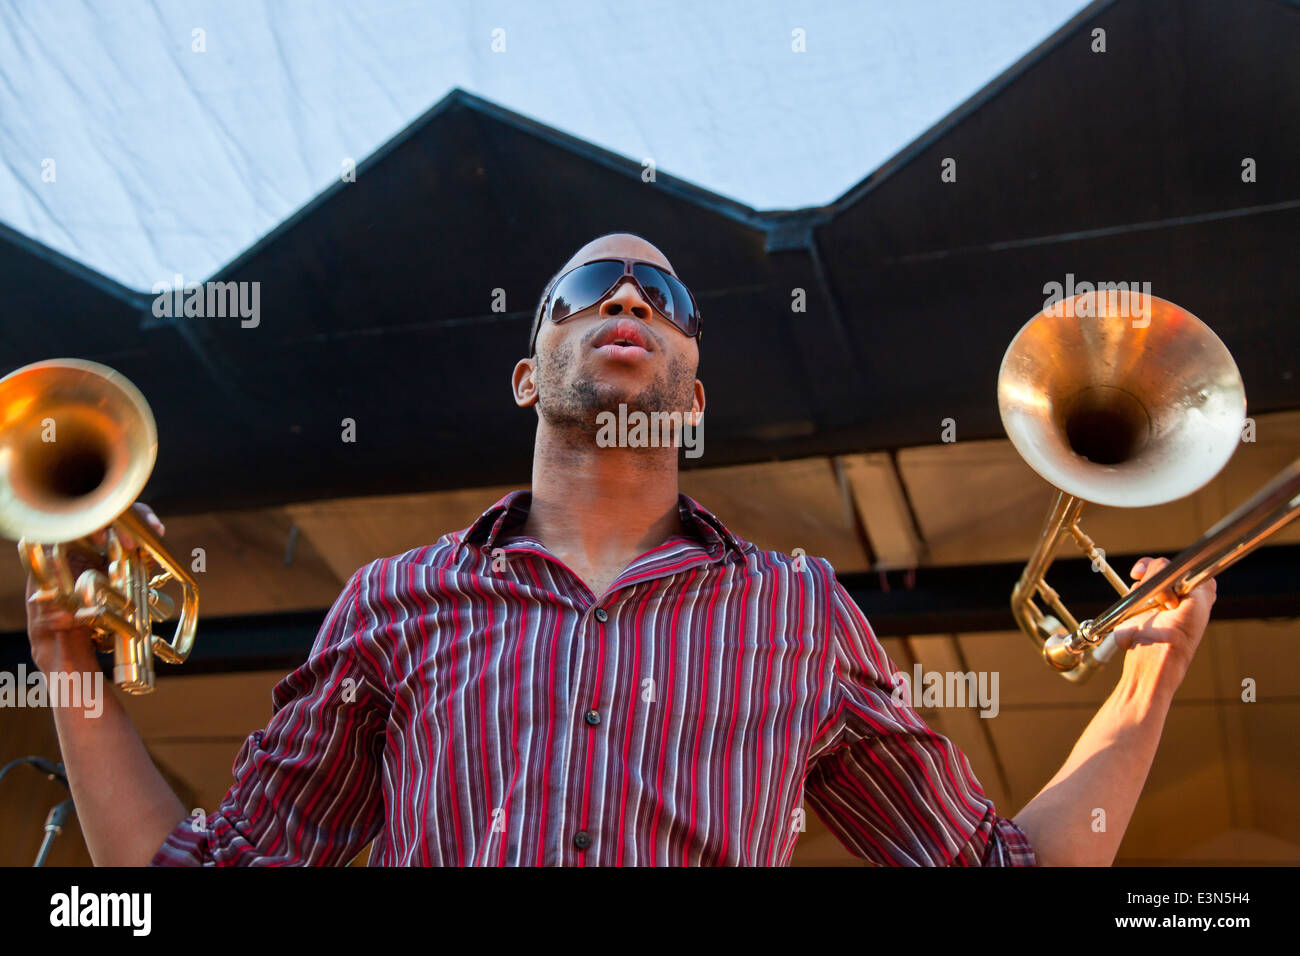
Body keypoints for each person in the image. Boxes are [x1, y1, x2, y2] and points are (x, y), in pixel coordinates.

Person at [26, 232, 1217, 866]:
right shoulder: (394, 600)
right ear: (525, 373)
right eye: (592, 287)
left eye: (663, 295)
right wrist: (71, 673)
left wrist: (1148, 680)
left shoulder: (801, 613)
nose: (631, 302)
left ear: (693, 399)